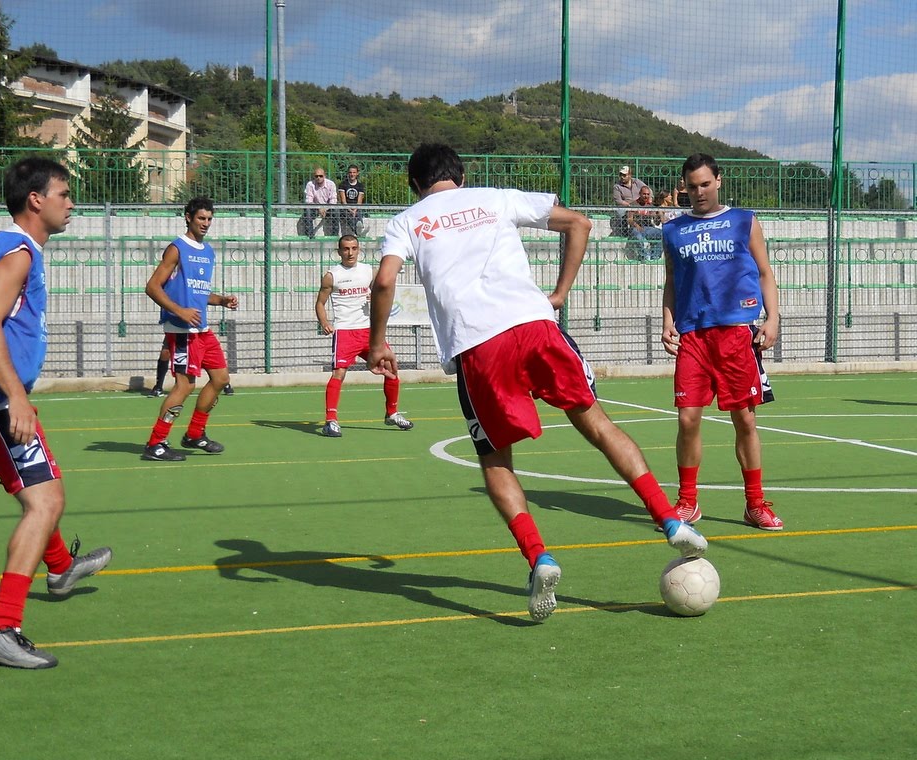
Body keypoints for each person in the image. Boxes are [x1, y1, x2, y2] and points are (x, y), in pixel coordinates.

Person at [368, 143, 707, 623]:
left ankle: (539, 557)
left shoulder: (407, 220)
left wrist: (378, 343)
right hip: (535, 325)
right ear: (460, 176)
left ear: (414, 185)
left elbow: (384, 282)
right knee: (597, 424)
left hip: (479, 347)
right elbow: (580, 223)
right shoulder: (495, 198)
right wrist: (560, 293)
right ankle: (669, 519)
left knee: (495, 459)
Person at [0, 157, 113, 669]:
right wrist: (15, 395)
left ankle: (60, 567)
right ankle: (1, 628)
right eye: (64, 193)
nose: (71, 202)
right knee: (45, 501)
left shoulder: (7, 246)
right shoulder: (17, 255)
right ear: (35, 199)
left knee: (40, 493)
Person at [661, 153, 784, 531]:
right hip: (694, 337)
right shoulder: (673, 231)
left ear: (718, 180)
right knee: (687, 418)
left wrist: (773, 318)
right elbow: (671, 281)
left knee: (745, 420)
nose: (698, 192)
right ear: (684, 187)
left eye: (704, 184)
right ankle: (687, 502)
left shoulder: (744, 220)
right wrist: (667, 321)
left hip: (736, 334)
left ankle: (755, 504)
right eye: (691, 186)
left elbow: (764, 272)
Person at [141, 196, 239, 461]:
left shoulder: (207, 251)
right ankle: (156, 442)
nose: (206, 223)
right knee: (184, 387)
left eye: (209, 219)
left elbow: (198, 293)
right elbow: (152, 287)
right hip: (182, 331)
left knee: (220, 379)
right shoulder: (177, 248)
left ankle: (195, 434)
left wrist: (221, 300)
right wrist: (179, 311)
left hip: (202, 330)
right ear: (188, 217)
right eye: (201, 218)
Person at [315, 234, 413, 437]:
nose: (350, 253)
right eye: (345, 249)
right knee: (339, 374)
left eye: (354, 248)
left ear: (359, 250)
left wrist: (374, 295)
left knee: (391, 368)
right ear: (339, 251)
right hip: (345, 331)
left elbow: (382, 291)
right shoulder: (332, 275)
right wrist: (324, 322)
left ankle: (392, 413)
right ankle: (331, 420)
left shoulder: (369, 271)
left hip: (369, 331)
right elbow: (320, 303)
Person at [148, 339, 231, 397]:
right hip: (177, 329)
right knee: (166, 352)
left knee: (205, 352)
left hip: (197, 330)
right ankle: (159, 387)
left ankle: (223, 383)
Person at [626, 185, 664, 260]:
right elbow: (629, 219)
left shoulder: (650, 206)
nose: (646, 196)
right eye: (644, 194)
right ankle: (643, 256)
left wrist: (658, 215)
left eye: (647, 194)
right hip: (635, 229)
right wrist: (636, 225)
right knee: (638, 237)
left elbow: (656, 223)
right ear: (640, 194)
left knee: (663, 235)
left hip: (648, 229)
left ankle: (655, 257)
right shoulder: (634, 204)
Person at [611, 165, 649, 236]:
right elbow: (618, 201)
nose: (622, 177)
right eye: (621, 175)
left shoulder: (637, 182)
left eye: (624, 175)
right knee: (620, 211)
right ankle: (624, 231)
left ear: (629, 175)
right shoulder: (617, 186)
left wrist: (649, 199)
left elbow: (647, 189)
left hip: (640, 204)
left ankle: (648, 227)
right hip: (627, 206)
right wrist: (630, 205)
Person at [303, 168, 338, 238]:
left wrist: (325, 208)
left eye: (321, 176)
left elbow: (333, 200)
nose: (318, 178)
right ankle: (310, 236)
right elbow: (308, 201)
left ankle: (335, 235)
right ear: (314, 177)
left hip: (328, 208)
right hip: (315, 208)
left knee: (336, 211)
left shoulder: (331, 184)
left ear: (324, 176)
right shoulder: (310, 185)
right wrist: (319, 208)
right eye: (316, 176)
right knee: (307, 211)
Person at [337, 164, 366, 236]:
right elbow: (343, 201)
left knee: (358, 212)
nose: (352, 174)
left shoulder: (360, 186)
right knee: (347, 214)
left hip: (356, 206)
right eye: (350, 172)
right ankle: (359, 232)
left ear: (357, 173)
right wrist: (350, 210)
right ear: (348, 173)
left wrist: (355, 210)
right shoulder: (343, 184)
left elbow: (359, 201)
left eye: (354, 172)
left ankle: (359, 227)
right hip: (345, 207)